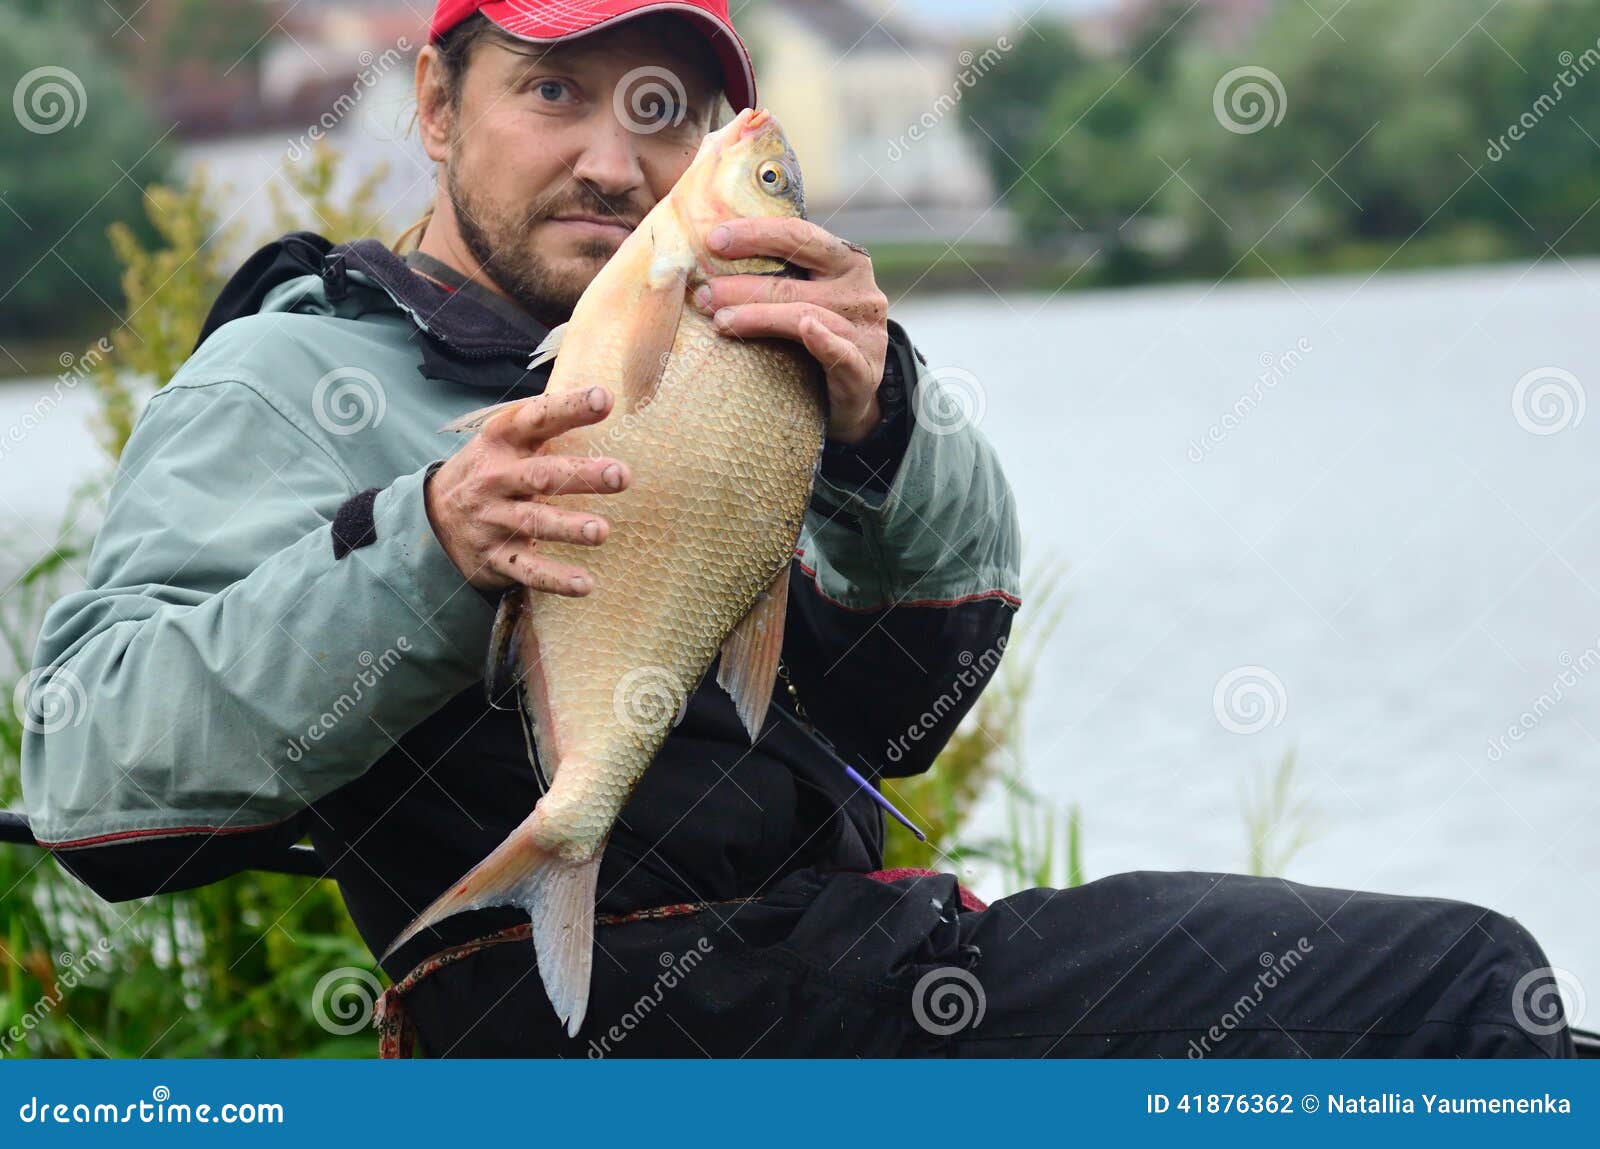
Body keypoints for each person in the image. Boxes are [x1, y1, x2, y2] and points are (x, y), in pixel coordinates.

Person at [21, 0, 1573, 1058]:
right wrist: (425, 545)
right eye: (550, 93)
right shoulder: (295, 374)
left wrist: (892, 425)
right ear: (435, 104)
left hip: (848, 966)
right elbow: (93, 784)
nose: (611, 160)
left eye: (659, 110)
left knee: (1463, 983)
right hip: (575, 1020)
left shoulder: (740, 321)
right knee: (1453, 985)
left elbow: (905, 705)